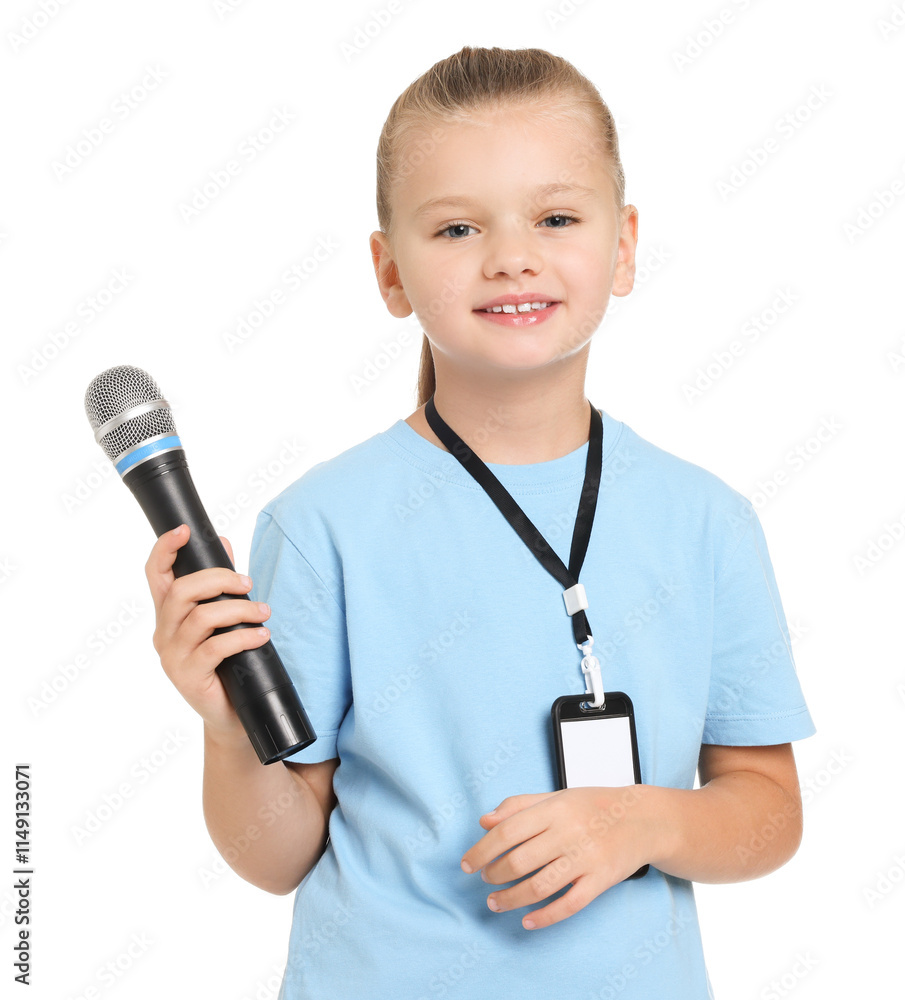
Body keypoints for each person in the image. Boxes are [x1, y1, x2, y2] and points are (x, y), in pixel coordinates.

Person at [145, 46, 816, 999]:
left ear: (623, 246)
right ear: (389, 272)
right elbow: (276, 855)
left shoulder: (707, 522)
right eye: (457, 226)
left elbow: (768, 814)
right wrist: (223, 728)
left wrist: (640, 822)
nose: (511, 255)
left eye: (555, 217)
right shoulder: (321, 524)